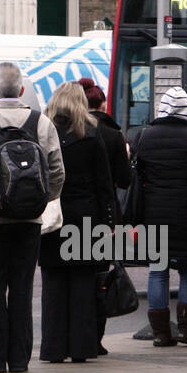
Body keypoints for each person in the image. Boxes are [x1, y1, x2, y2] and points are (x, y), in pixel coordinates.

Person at [0, 63, 65, 373]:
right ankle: (19, 358)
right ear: (21, 91)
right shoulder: (42, 122)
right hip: (29, 222)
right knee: (21, 288)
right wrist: (38, 201)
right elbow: (57, 171)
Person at [135, 86, 187, 347]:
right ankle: (185, 329)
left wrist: (137, 219)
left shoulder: (144, 137)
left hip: (155, 214)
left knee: (158, 271)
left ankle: (161, 332)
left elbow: (138, 181)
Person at [39, 82, 115, 363]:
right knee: (83, 285)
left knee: (54, 285)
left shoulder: (43, 133)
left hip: (52, 217)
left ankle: (53, 348)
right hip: (86, 217)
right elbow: (104, 185)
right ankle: (82, 347)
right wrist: (109, 223)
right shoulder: (91, 135)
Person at [78, 77, 131, 354]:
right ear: (103, 103)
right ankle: (96, 339)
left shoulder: (73, 129)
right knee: (101, 276)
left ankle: (79, 334)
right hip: (106, 214)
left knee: (79, 277)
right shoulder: (113, 133)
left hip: (76, 214)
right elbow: (124, 179)